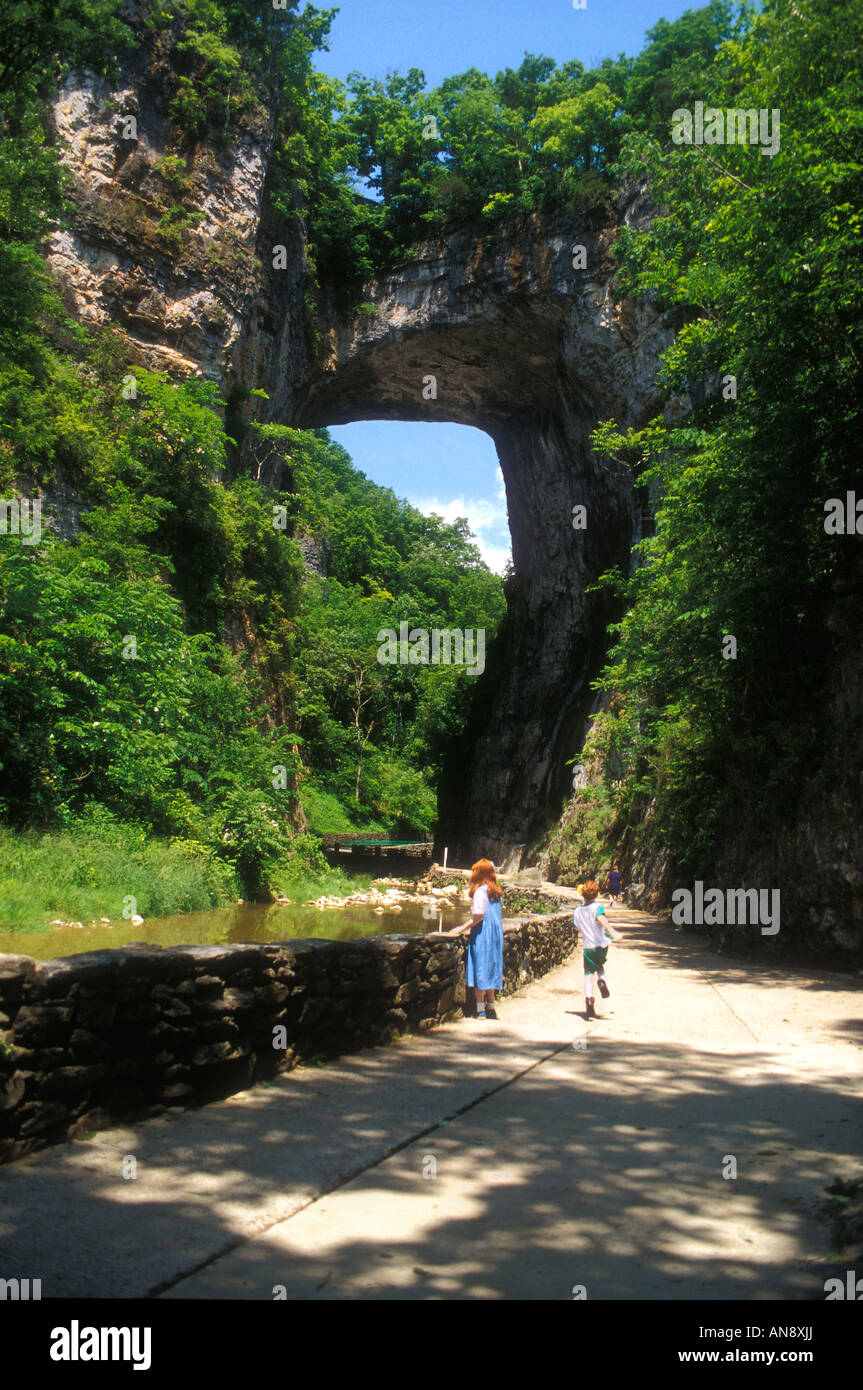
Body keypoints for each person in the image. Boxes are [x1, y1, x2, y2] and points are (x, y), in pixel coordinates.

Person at [448, 858, 504, 1019]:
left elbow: (478, 917)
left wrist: (461, 928)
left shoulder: (480, 892)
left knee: (480, 967)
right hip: (495, 934)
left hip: (482, 934)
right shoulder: (496, 892)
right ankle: (491, 1006)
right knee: (491, 967)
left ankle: (480, 1009)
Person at [572, 879, 623, 1020]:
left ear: (582, 894)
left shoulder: (577, 912)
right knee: (599, 966)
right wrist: (613, 932)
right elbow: (601, 919)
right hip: (601, 945)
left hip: (588, 947)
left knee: (588, 974)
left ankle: (589, 1000)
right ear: (596, 894)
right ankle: (601, 980)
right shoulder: (597, 907)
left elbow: (576, 926)